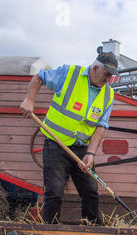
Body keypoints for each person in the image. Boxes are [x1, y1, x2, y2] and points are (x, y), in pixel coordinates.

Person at [20, 52, 118, 225]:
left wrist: (91, 154)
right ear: (95, 68)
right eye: (107, 74)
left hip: (82, 149)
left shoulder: (108, 94)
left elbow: (100, 126)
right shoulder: (69, 74)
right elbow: (39, 77)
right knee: (54, 192)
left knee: (90, 191)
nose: (109, 79)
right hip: (56, 145)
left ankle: (93, 233)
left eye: (112, 76)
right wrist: (29, 99)